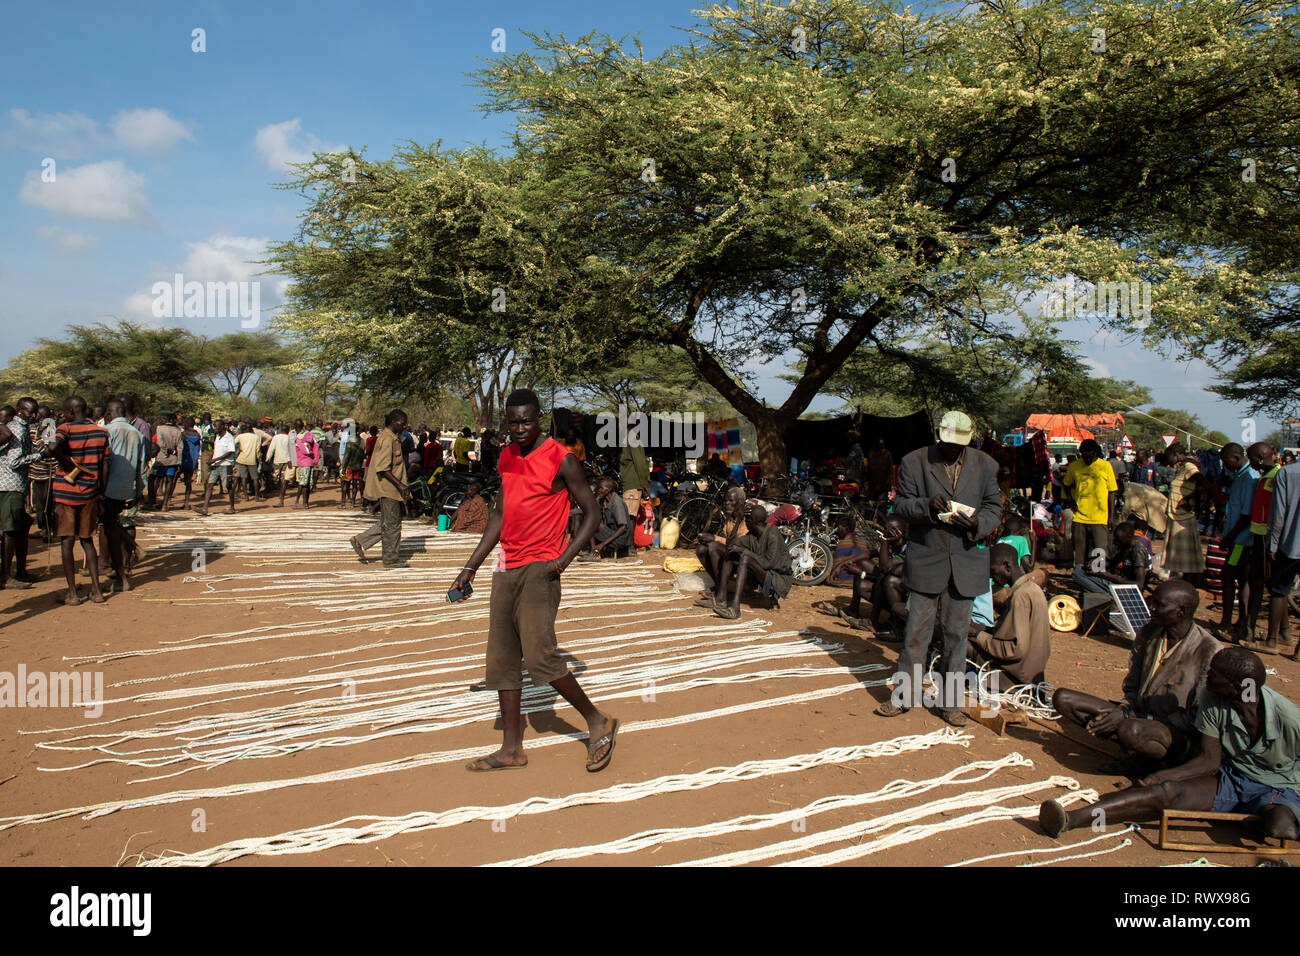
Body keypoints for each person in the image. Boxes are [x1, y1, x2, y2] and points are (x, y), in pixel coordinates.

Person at [451, 389, 619, 774]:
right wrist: (471, 566)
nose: (520, 428)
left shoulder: (562, 459)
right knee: (502, 659)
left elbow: (592, 514)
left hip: (542, 568)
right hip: (506, 566)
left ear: (539, 418)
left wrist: (562, 560)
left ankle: (597, 720)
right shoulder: (507, 456)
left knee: (540, 654)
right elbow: (499, 515)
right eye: (513, 422)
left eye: (526, 421)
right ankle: (512, 748)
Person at [1039, 647, 1300, 842]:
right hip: (1233, 778)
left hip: (1282, 786)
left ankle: (1275, 815)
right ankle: (1072, 820)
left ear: (1238, 686)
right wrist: (1162, 776)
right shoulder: (1213, 697)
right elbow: (1210, 760)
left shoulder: (1290, 719)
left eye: (1215, 674)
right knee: (1166, 792)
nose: (1207, 675)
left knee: (1279, 827)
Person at [880, 410, 1002, 726]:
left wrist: (979, 524)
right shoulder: (914, 461)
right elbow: (901, 505)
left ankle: (950, 704)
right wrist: (926, 506)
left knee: (956, 634)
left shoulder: (985, 465)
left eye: (959, 444)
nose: (952, 449)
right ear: (939, 435)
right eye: (948, 443)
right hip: (927, 559)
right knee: (915, 633)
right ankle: (904, 696)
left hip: (966, 560)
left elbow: (994, 508)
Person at [1053, 579, 1221, 763]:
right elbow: (1132, 687)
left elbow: (1196, 719)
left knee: (1130, 728)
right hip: (1135, 716)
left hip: (1175, 732)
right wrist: (1125, 709)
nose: (1151, 608)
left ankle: (1150, 757)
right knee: (1063, 699)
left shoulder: (1209, 651)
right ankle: (1132, 743)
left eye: (1160, 605)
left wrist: (1135, 717)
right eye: (1152, 601)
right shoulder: (1148, 633)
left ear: (1182, 611)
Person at [45, 396, 109, 605]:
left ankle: (72, 594)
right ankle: (97, 591)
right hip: (91, 493)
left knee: (67, 541)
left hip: (65, 493)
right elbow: (105, 465)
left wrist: (65, 463)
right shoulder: (101, 432)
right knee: (88, 541)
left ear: (70, 412)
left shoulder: (65, 429)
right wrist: (101, 492)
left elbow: (53, 448)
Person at [968, 542, 1050, 686]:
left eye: (993, 571)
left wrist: (977, 635)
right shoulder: (1032, 589)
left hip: (1016, 677)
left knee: (961, 643)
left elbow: (1014, 649)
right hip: (1033, 671)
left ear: (1007, 566)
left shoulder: (1020, 597)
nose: (992, 578)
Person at [709, 503, 794, 619]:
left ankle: (735, 609)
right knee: (731, 556)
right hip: (763, 573)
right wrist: (738, 521)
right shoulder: (753, 536)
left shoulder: (772, 534)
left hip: (778, 578)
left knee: (745, 558)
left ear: (752, 521)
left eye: (746, 520)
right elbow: (731, 545)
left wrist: (745, 551)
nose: (745, 523)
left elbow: (768, 564)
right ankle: (721, 599)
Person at [350, 410, 411, 568]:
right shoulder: (387, 439)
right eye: (402, 423)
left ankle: (360, 540)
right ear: (393, 422)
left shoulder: (392, 438)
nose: (404, 426)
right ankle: (390, 559)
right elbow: (383, 468)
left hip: (392, 488)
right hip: (388, 488)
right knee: (392, 525)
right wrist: (400, 485)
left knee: (389, 521)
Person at [101, 399, 147, 593]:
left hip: (108, 488)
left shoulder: (107, 431)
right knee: (119, 525)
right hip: (128, 487)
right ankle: (126, 560)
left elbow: (104, 462)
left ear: (110, 413)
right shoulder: (136, 433)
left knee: (110, 528)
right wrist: (138, 491)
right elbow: (142, 465)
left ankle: (119, 573)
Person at [1217, 442, 1259, 641]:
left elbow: (1246, 515)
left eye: (1226, 462)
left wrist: (1229, 537)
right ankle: (1241, 620)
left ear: (1235, 457)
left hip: (1242, 539)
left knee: (1228, 576)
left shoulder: (1249, 478)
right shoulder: (1242, 476)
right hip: (1239, 537)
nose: (1225, 466)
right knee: (1242, 580)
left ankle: (1227, 622)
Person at [0, 397, 43, 590]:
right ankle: (7, 576)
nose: (33, 415)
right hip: (10, 485)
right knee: (11, 530)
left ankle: (21, 572)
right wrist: (40, 455)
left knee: (22, 526)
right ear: (19, 411)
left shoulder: (22, 427)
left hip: (17, 485)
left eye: (34, 412)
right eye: (28, 412)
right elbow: (14, 462)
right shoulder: (17, 429)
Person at [1061, 439, 1117, 579]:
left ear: (1096, 453)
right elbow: (1066, 484)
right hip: (1080, 517)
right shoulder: (1074, 466)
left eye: (1090, 455)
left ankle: (1099, 579)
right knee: (1080, 552)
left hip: (1100, 517)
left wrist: (1111, 516)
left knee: (1099, 550)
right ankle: (1080, 578)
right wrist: (1069, 500)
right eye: (1084, 455)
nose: (1087, 458)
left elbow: (1112, 492)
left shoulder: (1105, 466)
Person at [1268, 458, 1300, 656]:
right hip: (1290, 543)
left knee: (1279, 590)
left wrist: (1273, 543)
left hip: (1289, 544)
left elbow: (1279, 512)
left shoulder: (1286, 473)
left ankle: (1272, 640)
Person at [1163, 443, 1206, 587]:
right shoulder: (1180, 468)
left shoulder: (1189, 467)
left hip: (1183, 519)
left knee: (1186, 561)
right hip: (1176, 517)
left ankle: (1187, 588)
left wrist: (1188, 500)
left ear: (1175, 454)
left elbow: (1203, 484)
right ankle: (1183, 586)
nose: (1167, 459)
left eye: (1168, 455)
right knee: (1181, 560)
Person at [694, 486, 749, 590]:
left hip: (744, 555)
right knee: (701, 548)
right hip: (732, 551)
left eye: (731, 501)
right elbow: (728, 540)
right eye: (725, 501)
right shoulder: (730, 518)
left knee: (714, 546)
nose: (726, 503)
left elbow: (739, 543)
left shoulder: (746, 519)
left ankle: (721, 590)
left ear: (740, 502)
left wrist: (714, 538)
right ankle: (720, 583)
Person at [197, 419, 238, 517]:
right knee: (209, 485)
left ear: (223, 426)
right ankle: (205, 508)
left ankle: (232, 507)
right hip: (215, 465)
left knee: (228, 486)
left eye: (217, 426)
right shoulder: (217, 437)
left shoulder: (229, 437)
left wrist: (215, 460)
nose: (215, 428)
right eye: (214, 426)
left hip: (225, 465)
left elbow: (230, 452)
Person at [583, 476, 630, 559]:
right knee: (591, 520)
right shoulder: (603, 500)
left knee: (594, 524)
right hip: (611, 533)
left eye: (601, 488)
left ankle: (594, 553)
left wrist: (603, 544)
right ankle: (594, 551)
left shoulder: (617, 503)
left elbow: (623, 527)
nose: (599, 490)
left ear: (609, 490)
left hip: (621, 539)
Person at [148, 413, 183, 511]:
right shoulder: (177, 431)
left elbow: (160, 443)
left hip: (160, 459)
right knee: (169, 481)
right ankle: (165, 504)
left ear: (164, 419)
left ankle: (152, 502)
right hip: (173, 460)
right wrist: (179, 461)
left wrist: (166, 451)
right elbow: (180, 447)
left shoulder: (160, 429)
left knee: (153, 478)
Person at [294, 425, 320, 508]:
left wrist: (311, 454)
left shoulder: (300, 438)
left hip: (303, 462)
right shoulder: (311, 436)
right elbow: (316, 447)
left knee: (304, 483)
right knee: (306, 483)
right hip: (309, 462)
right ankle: (305, 502)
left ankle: (305, 503)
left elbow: (305, 450)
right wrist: (315, 459)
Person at [178, 417, 202, 509]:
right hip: (192, 461)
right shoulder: (197, 435)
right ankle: (187, 502)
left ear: (187, 424)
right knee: (188, 482)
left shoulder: (183, 434)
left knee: (173, 480)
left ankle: (166, 502)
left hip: (182, 459)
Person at [233, 424, 261, 501]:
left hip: (241, 459)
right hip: (252, 460)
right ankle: (257, 496)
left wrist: (237, 451)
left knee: (243, 478)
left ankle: (246, 495)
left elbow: (233, 444)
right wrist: (259, 459)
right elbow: (257, 450)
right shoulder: (256, 437)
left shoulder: (240, 436)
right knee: (255, 478)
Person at [339, 429, 366, 508]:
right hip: (357, 466)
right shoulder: (362, 442)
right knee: (355, 485)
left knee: (345, 484)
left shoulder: (350, 443)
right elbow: (362, 455)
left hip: (349, 466)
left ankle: (343, 503)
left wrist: (343, 467)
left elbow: (346, 456)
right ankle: (353, 503)